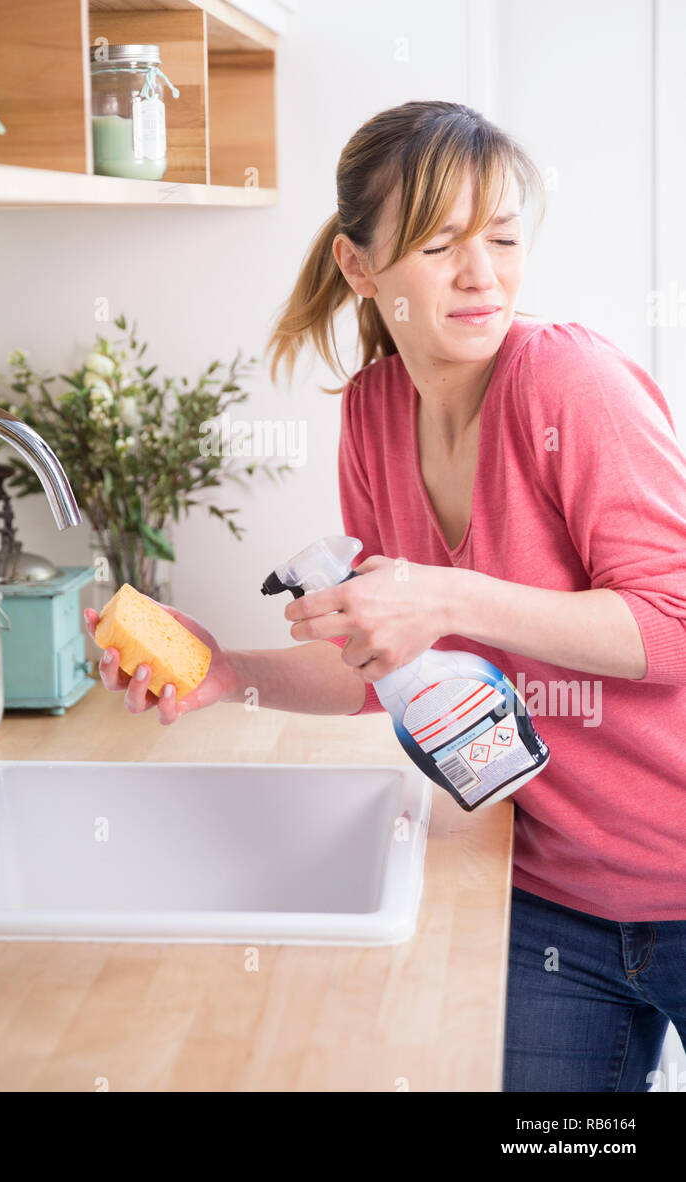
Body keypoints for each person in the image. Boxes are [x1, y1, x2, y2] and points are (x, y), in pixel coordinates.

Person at [84, 99, 686, 1092]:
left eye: (499, 236)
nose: (479, 272)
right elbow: (381, 669)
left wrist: (444, 594)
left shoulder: (565, 385)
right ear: (358, 268)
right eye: (438, 243)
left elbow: (673, 621)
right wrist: (230, 673)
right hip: (544, 894)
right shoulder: (370, 416)